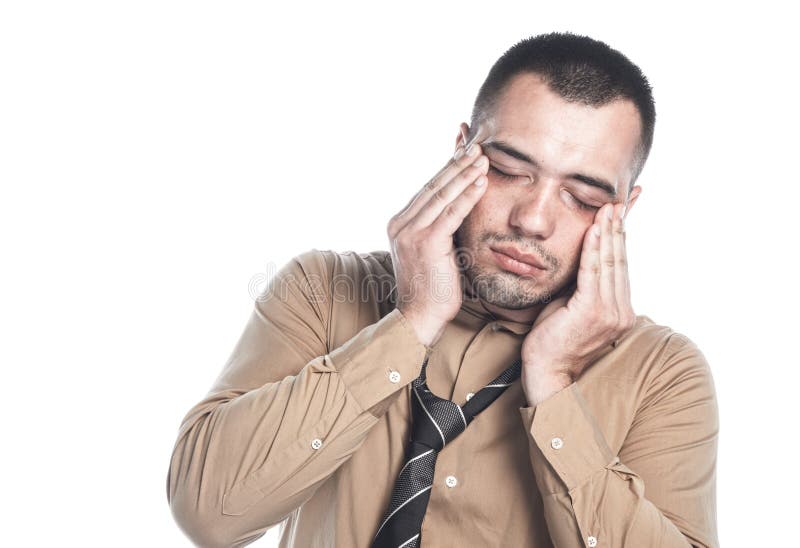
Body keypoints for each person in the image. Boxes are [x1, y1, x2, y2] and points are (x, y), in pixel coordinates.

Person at [166, 32, 719, 547]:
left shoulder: (662, 373)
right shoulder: (322, 291)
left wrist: (553, 384)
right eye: (508, 169)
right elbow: (209, 514)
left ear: (624, 208)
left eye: (583, 198)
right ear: (462, 151)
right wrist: (413, 320)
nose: (532, 220)